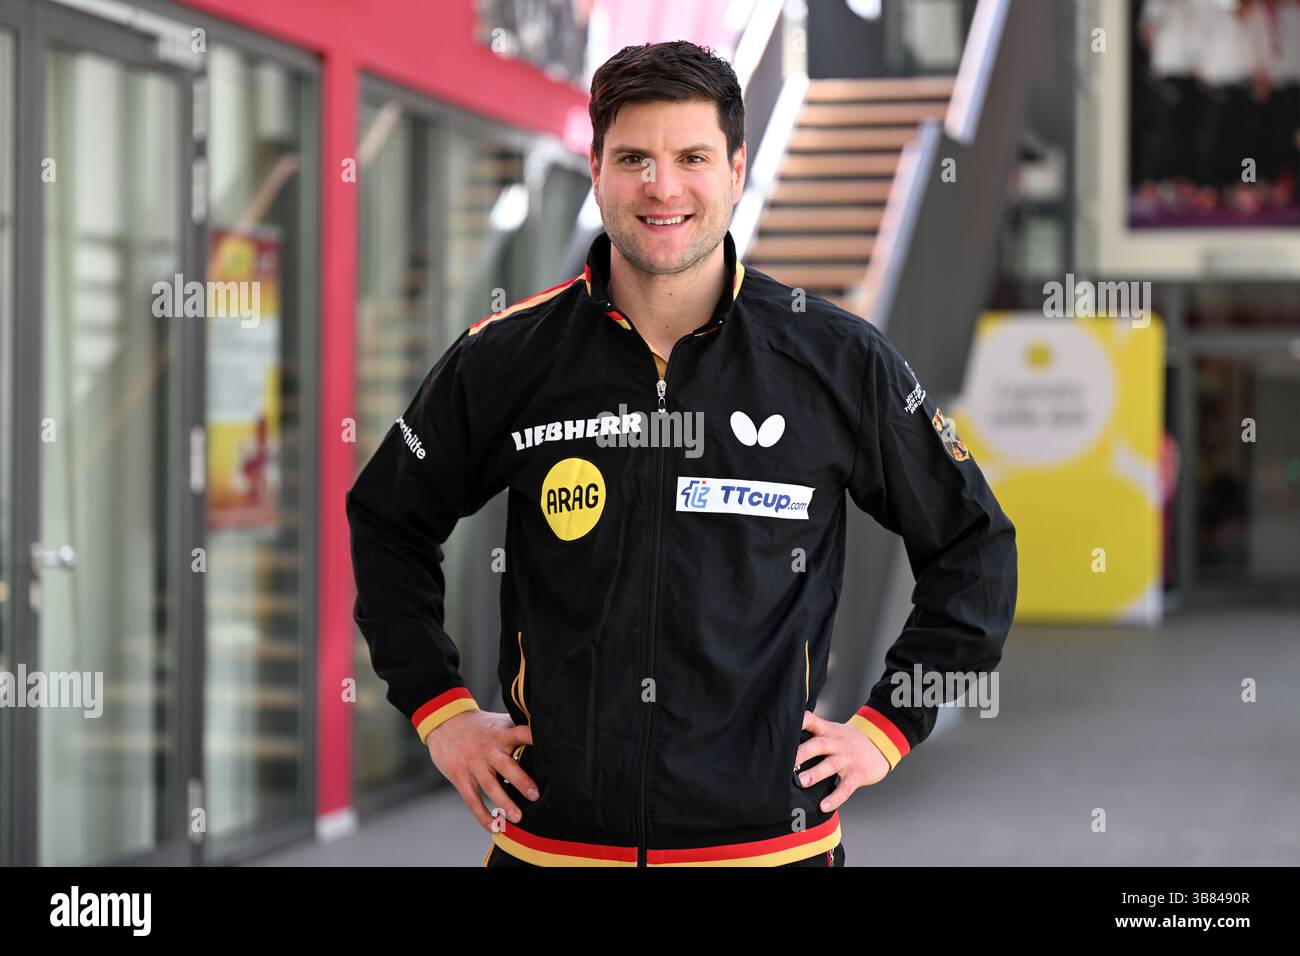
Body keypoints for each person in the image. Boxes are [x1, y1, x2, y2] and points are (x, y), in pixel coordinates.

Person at [346, 40, 1018, 868]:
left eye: (692, 157)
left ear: (736, 169)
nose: (661, 187)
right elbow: (388, 520)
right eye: (634, 158)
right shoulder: (505, 357)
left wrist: (887, 728)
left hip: (768, 851)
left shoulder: (836, 360)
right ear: (596, 169)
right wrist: (439, 709)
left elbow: (974, 545)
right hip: (556, 850)